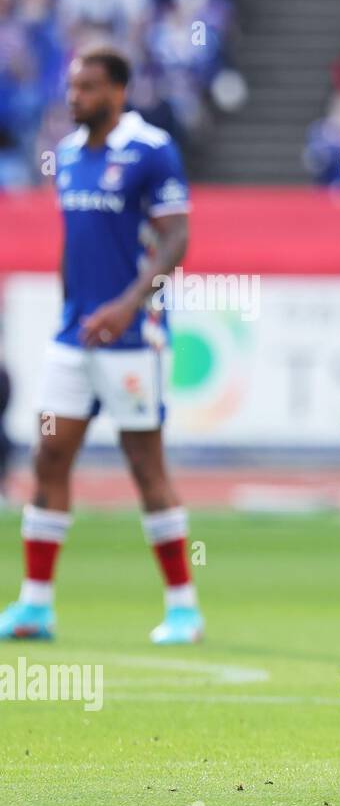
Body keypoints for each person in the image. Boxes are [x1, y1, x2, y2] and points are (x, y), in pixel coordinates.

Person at [0, 46, 200, 645]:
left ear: (117, 91)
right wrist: (75, 308)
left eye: (87, 87)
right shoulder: (65, 154)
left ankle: (183, 607)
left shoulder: (151, 149)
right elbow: (74, 241)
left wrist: (126, 306)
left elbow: (175, 241)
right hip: (74, 337)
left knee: (145, 465)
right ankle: (35, 605)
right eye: (71, 86)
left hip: (133, 338)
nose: (74, 97)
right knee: (49, 457)